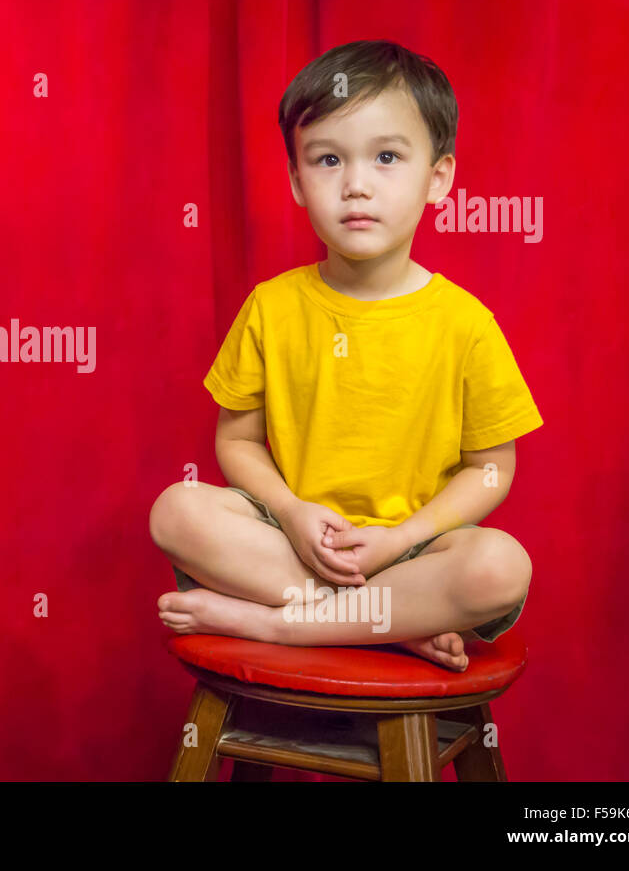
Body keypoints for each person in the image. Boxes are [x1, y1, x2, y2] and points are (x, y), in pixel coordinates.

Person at [149, 40, 543, 672]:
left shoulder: (468, 324)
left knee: (501, 567)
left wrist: (400, 541)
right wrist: (293, 512)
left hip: (412, 553)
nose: (356, 184)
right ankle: (384, 625)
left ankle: (279, 626)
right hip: (292, 544)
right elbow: (239, 442)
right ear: (297, 181)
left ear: (438, 178)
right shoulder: (271, 307)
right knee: (177, 511)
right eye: (328, 159)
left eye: (386, 156)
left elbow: (492, 469)